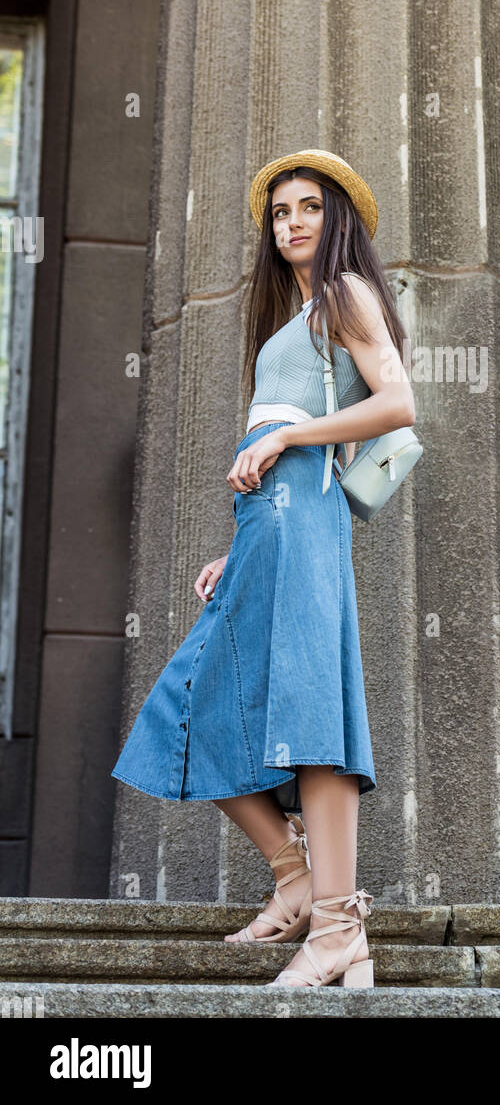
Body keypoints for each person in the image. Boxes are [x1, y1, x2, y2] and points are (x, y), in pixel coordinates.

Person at [111, 149, 416, 990]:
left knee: (311, 710)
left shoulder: (347, 293)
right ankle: (294, 875)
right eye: (280, 213)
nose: (291, 223)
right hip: (266, 529)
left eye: (308, 207)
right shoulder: (301, 311)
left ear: (338, 215)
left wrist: (284, 436)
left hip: (303, 520)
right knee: (193, 706)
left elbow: (398, 403)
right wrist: (234, 546)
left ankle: (336, 927)